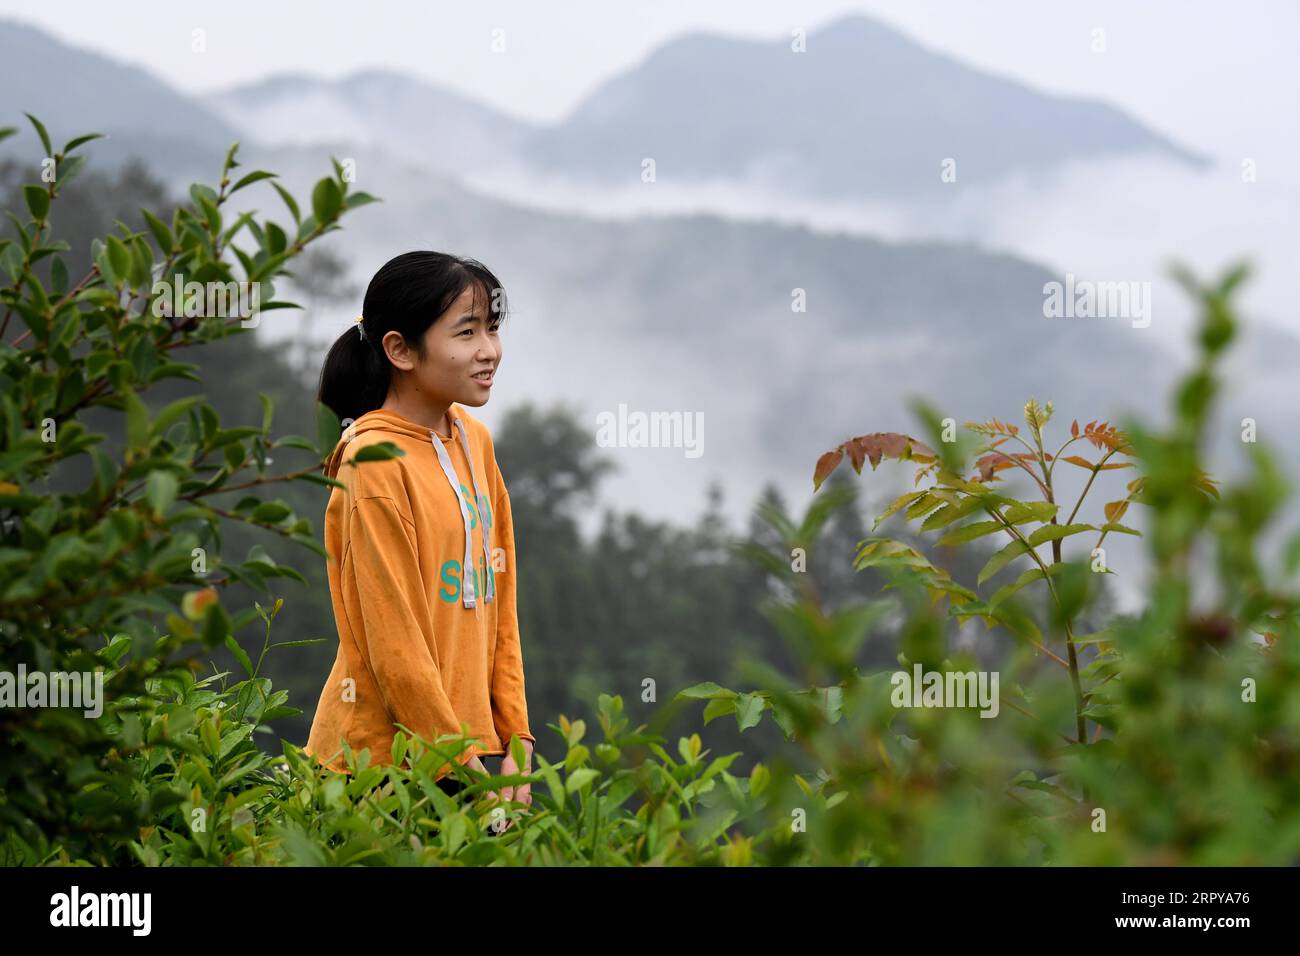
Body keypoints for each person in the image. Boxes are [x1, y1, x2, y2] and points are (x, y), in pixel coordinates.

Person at [304, 251, 535, 831]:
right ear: (400, 350)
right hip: (379, 771)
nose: (489, 350)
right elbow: (395, 646)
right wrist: (466, 774)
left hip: (470, 758)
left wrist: (517, 744)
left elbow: (499, 604)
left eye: (492, 328)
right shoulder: (373, 462)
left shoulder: (475, 442)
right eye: (466, 332)